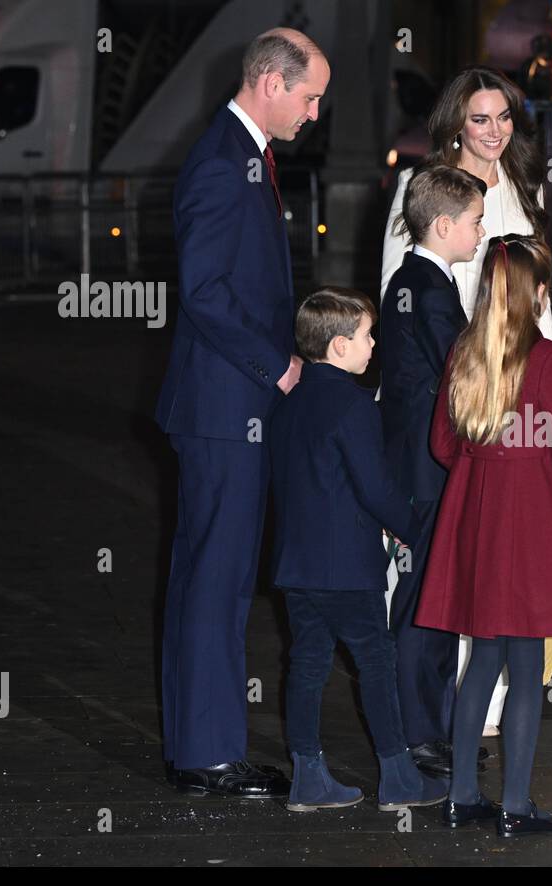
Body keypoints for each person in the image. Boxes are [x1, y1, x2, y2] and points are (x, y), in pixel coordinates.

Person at [155, 29, 328, 798]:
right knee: (213, 580)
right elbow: (205, 292)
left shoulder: (245, 153)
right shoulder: (225, 161)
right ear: (269, 80)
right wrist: (279, 364)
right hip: (224, 406)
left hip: (233, 406)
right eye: (310, 95)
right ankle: (205, 753)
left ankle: (210, 743)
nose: (315, 113)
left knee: (219, 581)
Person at [381, 66, 552, 737]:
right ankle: (426, 711)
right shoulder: (420, 188)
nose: (493, 131)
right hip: (449, 400)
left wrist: (547, 387)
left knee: (496, 546)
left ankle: (478, 706)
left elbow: (538, 303)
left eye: (504, 117)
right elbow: (404, 303)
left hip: (513, 391)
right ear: (456, 120)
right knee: (437, 553)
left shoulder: (523, 188)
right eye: (480, 118)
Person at [416, 236, 552, 836]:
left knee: (482, 658)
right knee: (527, 661)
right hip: (531, 515)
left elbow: (442, 446)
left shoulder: (463, 354)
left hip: (476, 514)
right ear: (537, 295)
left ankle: (462, 795)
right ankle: (515, 804)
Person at [267, 288, 449, 812]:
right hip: (347, 567)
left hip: (296, 566)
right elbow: (374, 489)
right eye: (369, 336)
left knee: (305, 665)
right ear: (341, 347)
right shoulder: (353, 406)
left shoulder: (289, 403)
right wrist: (418, 530)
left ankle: (307, 777)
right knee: (376, 663)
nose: (376, 344)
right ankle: (399, 779)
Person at [379, 164, 487, 779]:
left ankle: (436, 728)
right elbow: (460, 368)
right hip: (426, 469)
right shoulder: (428, 285)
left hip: (422, 463)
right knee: (424, 602)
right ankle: (419, 733)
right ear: (443, 225)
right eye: (473, 222)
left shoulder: (417, 279)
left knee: (435, 597)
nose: (479, 232)